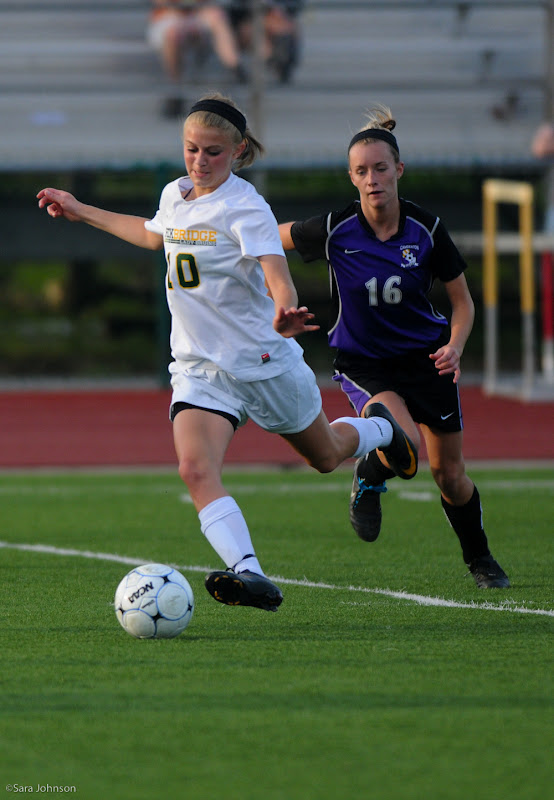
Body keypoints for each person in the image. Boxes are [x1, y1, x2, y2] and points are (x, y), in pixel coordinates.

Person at [37, 93, 417, 612]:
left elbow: (277, 278)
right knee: (194, 470)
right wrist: (81, 211)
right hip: (199, 369)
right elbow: (154, 236)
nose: (199, 161)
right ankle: (250, 574)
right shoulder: (176, 194)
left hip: (262, 363)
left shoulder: (247, 206)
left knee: (326, 456)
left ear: (238, 150)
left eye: (212, 152)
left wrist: (285, 312)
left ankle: (380, 429)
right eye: (192, 149)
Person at [279, 104, 510, 589]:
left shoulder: (426, 229)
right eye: (361, 172)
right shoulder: (336, 229)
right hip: (365, 364)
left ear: (398, 170)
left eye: (380, 169)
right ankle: (371, 473)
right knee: (401, 442)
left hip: (427, 361)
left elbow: (463, 302)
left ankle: (481, 560)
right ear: (351, 177)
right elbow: (263, 241)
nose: (372, 179)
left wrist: (456, 345)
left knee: (450, 476)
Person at [147, 1, 247, 118]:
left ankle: (235, 67)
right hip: (169, 16)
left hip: (196, 15)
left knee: (216, 15)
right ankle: (175, 90)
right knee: (173, 35)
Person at [228, 0, 302, 83]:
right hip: (244, 18)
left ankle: (281, 64)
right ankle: (240, 70)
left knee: (285, 24)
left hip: (268, 16)